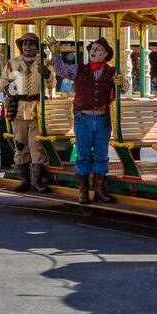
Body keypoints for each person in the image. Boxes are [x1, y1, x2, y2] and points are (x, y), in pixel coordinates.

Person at [51, 38, 116, 204]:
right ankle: (83, 191)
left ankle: (100, 190)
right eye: (92, 49)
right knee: (83, 155)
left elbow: (121, 90)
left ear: (106, 54)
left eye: (99, 49)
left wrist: (123, 85)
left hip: (103, 118)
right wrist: (55, 54)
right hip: (83, 118)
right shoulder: (79, 69)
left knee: (101, 155)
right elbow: (61, 70)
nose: (94, 51)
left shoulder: (112, 72)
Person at [0, 31, 52, 192]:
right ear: (22, 47)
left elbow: (52, 84)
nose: (28, 47)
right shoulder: (12, 63)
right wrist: (8, 87)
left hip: (37, 109)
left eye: (32, 44)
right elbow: (2, 80)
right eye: (25, 44)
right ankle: (24, 180)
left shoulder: (45, 63)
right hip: (18, 108)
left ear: (37, 47)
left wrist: (47, 74)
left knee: (36, 145)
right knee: (20, 144)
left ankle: (37, 181)